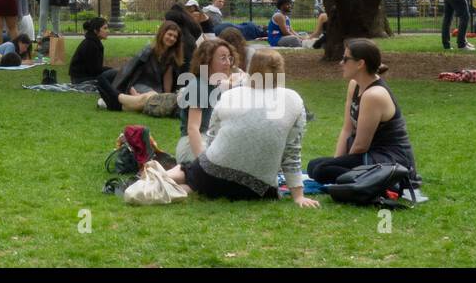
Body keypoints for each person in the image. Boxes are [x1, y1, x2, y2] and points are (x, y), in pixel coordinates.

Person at [162, 49, 318, 207]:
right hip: (258, 189)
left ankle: (157, 180)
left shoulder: (230, 95)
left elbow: (212, 138)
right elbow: (292, 152)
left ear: (251, 70)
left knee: (190, 171)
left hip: (212, 176)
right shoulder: (293, 100)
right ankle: (169, 185)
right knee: (198, 177)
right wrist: (298, 196)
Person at [307, 39, 419, 185]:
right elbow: (347, 129)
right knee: (314, 166)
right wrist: (337, 161)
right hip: (370, 155)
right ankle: (363, 178)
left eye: (345, 59)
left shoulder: (374, 95)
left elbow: (361, 145)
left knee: (322, 170)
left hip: (389, 160)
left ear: (360, 64)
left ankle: (391, 181)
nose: (341, 63)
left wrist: (340, 165)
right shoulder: (354, 85)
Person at [96, 21, 185, 112]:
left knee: (154, 99)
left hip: (154, 86)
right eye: (169, 34)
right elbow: (130, 71)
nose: (172, 38)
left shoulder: (171, 56)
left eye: (175, 37)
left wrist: (167, 96)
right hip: (137, 83)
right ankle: (116, 101)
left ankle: (117, 103)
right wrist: (131, 90)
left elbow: (168, 77)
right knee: (152, 98)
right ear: (162, 33)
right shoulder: (148, 51)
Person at [175, 37, 235, 166]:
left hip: (209, 139)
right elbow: (193, 128)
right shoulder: (199, 86)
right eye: (222, 58)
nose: (228, 63)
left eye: (229, 58)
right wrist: (203, 164)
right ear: (208, 60)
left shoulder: (214, 84)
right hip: (192, 146)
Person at [68, 17, 108, 84]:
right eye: (105, 28)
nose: (107, 31)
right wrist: (112, 70)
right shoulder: (91, 44)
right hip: (81, 79)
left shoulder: (94, 42)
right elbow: (95, 70)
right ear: (96, 31)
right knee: (114, 74)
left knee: (114, 73)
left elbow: (96, 68)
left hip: (85, 77)